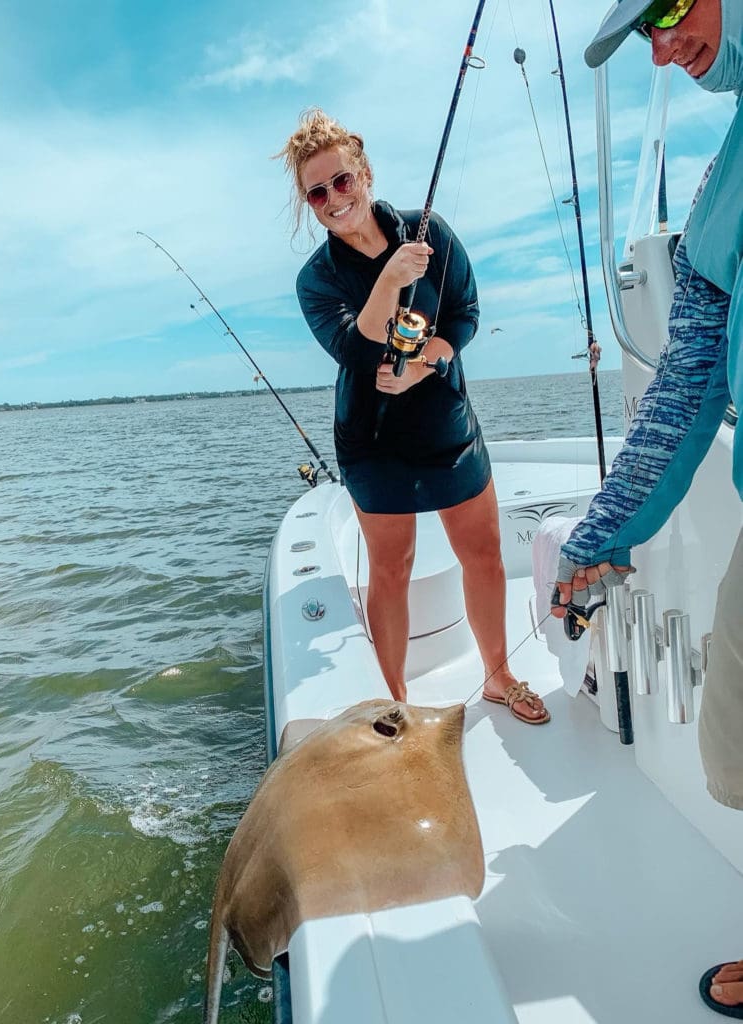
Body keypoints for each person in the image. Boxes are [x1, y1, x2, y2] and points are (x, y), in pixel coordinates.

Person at [551, 0, 742, 1015]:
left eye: (670, 6)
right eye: (643, 34)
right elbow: (687, 382)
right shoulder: (723, 187)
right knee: (733, 747)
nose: (664, 46)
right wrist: (600, 533)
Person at [276, 108, 548, 723]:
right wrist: (390, 278)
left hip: (448, 431)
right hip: (372, 444)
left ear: (364, 173)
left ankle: (499, 676)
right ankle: (394, 703)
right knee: (390, 569)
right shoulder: (315, 279)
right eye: (316, 193)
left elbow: (465, 313)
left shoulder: (431, 233)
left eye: (341, 181)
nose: (333, 199)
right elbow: (354, 350)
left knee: (483, 554)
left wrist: (426, 365)